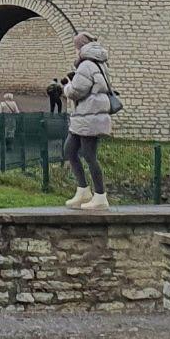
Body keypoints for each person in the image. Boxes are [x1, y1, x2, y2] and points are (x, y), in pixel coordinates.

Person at [63, 32, 113, 210]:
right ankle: (83, 190)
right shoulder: (99, 63)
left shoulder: (86, 65)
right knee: (69, 150)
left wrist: (67, 87)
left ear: (80, 47)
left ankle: (100, 196)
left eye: (76, 48)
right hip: (86, 116)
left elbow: (77, 91)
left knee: (89, 155)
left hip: (90, 116)